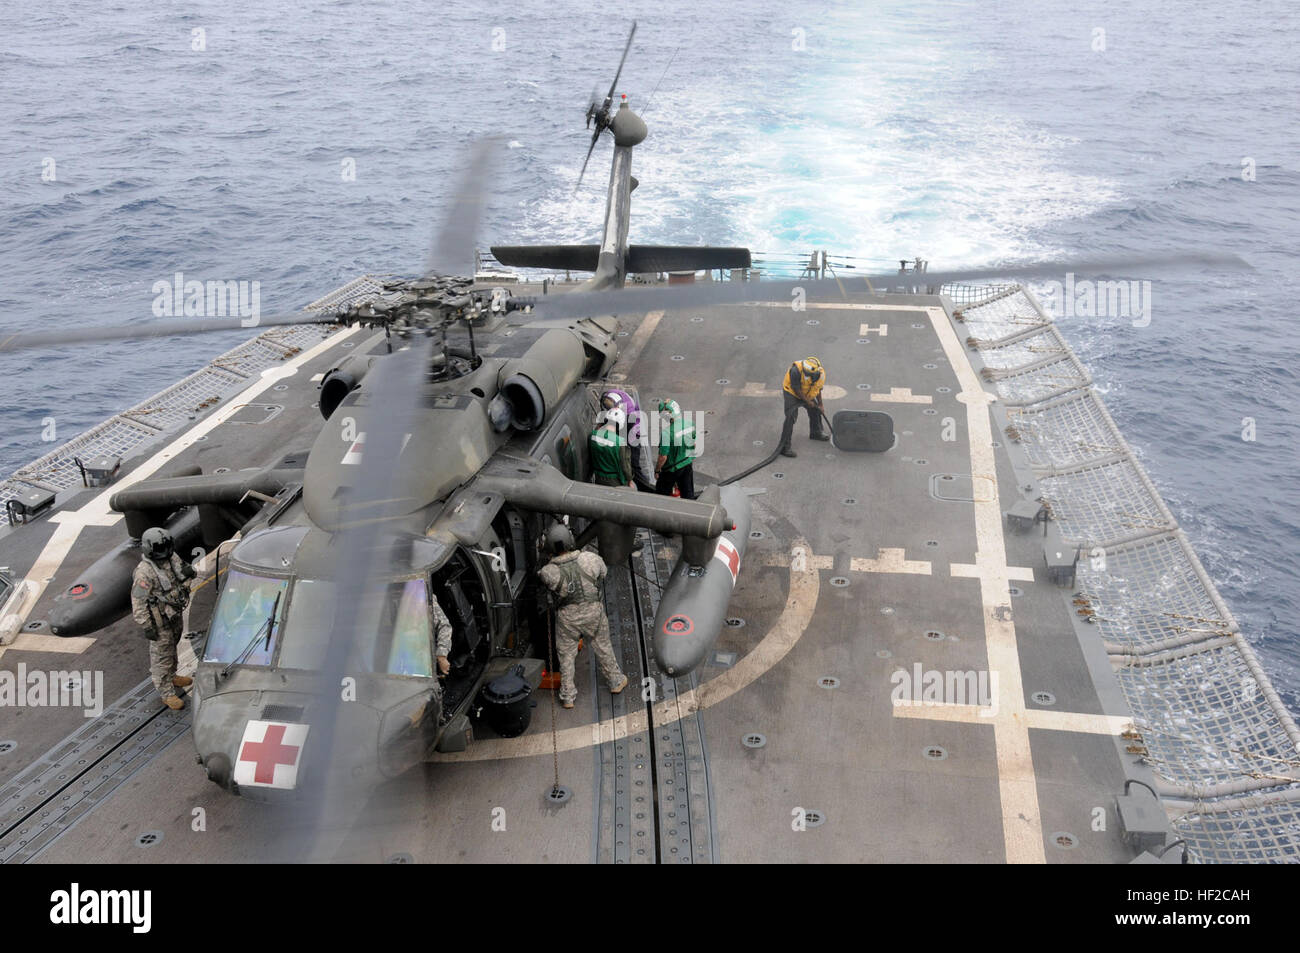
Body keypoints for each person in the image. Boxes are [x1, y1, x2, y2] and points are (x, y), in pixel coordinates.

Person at [537, 524, 628, 709]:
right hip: (593, 613)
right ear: (571, 540)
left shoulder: (548, 571)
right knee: (603, 647)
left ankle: (568, 696)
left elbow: (542, 579)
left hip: (568, 620)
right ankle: (615, 681)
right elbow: (603, 573)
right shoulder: (590, 558)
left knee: (566, 656)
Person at [130, 527, 196, 710]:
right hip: (159, 621)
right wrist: (147, 626)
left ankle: (172, 676)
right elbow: (138, 602)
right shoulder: (144, 573)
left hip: (174, 613)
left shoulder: (171, 558)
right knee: (161, 657)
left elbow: (183, 571)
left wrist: (189, 574)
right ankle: (166, 692)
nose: (165, 552)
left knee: (172, 647)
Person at [601, 388, 653, 491]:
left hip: (633, 431)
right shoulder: (610, 397)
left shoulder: (627, 411)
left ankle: (646, 488)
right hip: (628, 426)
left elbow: (624, 429)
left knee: (633, 463)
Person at [778, 357, 830, 458]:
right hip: (792, 393)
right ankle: (785, 447)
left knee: (815, 410)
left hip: (807, 392)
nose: (807, 376)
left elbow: (818, 389)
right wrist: (807, 401)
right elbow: (796, 388)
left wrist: (820, 404)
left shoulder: (821, 374)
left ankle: (816, 432)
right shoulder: (795, 371)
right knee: (790, 417)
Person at [654, 398, 699, 499]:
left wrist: (657, 470)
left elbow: (663, 457)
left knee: (661, 495)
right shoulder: (690, 423)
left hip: (671, 470)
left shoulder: (666, 433)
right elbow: (694, 445)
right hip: (687, 464)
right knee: (688, 494)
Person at [589, 407, 634, 488]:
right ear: (620, 423)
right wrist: (630, 480)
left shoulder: (592, 435)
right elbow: (625, 467)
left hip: (598, 477)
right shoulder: (620, 442)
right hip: (614, 481)